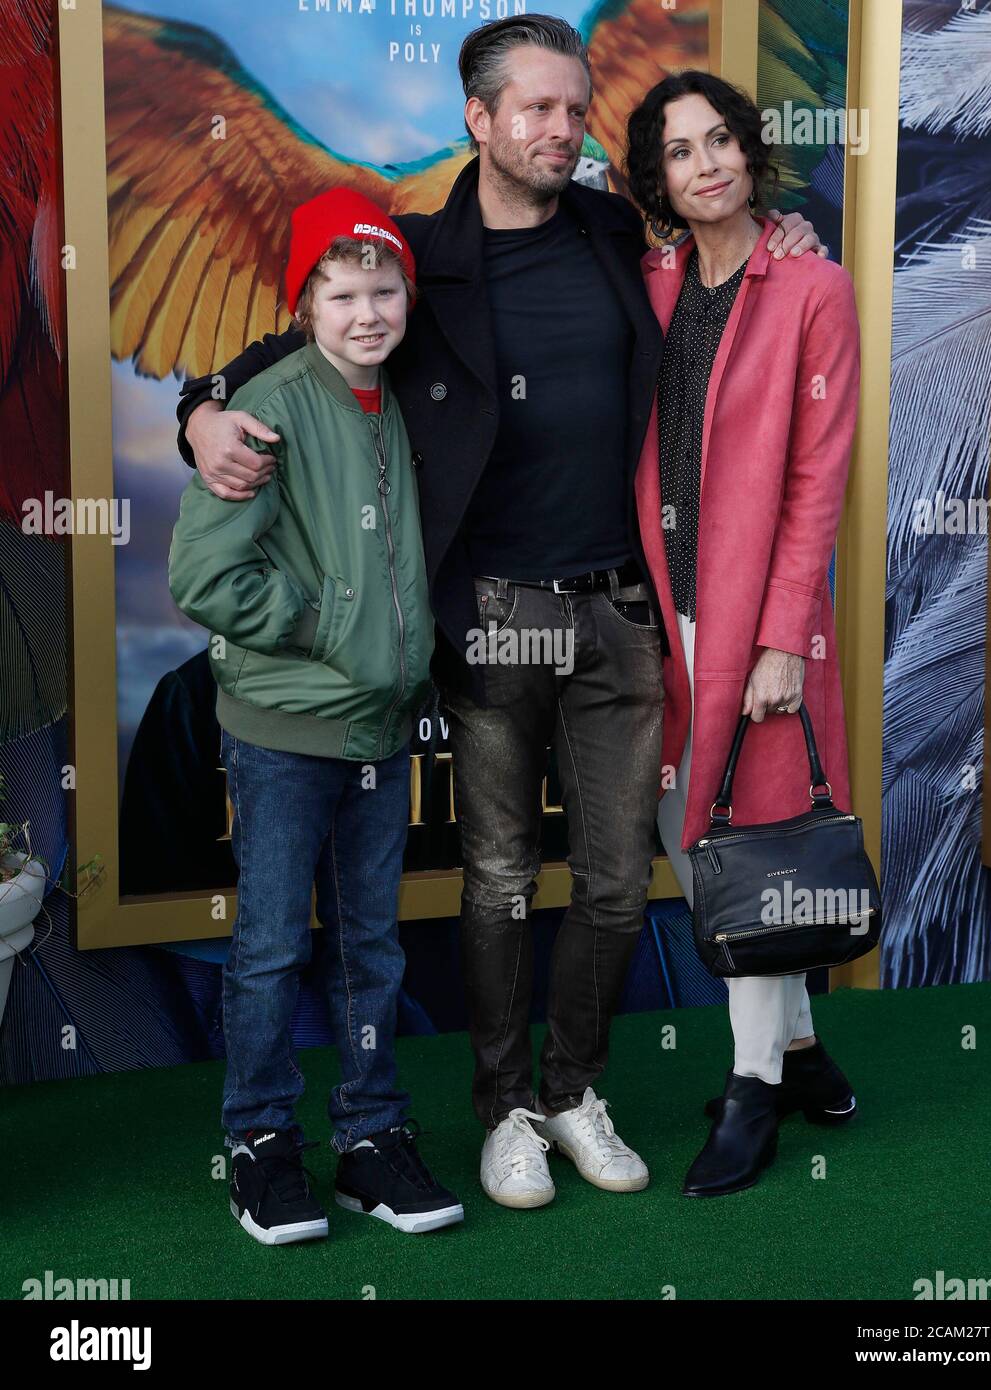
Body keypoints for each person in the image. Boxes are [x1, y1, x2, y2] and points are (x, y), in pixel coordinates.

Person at [174, 16, 823, 1210]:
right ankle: (503, 1108)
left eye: (575, 110)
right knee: (498, 879)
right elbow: (288, 347)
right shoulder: (419, 256)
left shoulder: (614, 227)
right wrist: (201, 415)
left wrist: (776, 232)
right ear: (475, 120)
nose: (561, 130)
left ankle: (574, 1089)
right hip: (484, 615)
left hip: (620, 609)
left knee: (620, 883)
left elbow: (730, 278)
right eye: (534, 109)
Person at [168, 188, 463, 1243]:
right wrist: (328, 619)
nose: (365, 312)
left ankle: (371, 1138)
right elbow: (202, 572)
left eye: (382, 288)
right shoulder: (266, 407)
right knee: (267, 948)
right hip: (283, 732)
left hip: (381, 733)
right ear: (305, 305)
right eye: (340, 293)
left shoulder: (411, 402)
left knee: (371, 948)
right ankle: (257, 1141)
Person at [625, 71, 861, 1197]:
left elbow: (817, 481)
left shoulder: (814, 285)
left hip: (756, 621)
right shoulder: (652, 278)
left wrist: (778, 637)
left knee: (750, 851)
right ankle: (804, 1054)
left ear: (750, 150)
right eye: (677, 151)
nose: (703, 163)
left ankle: (753, 1091)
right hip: (661, 613)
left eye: (718, 139)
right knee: (702, 837)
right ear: (655, 179)